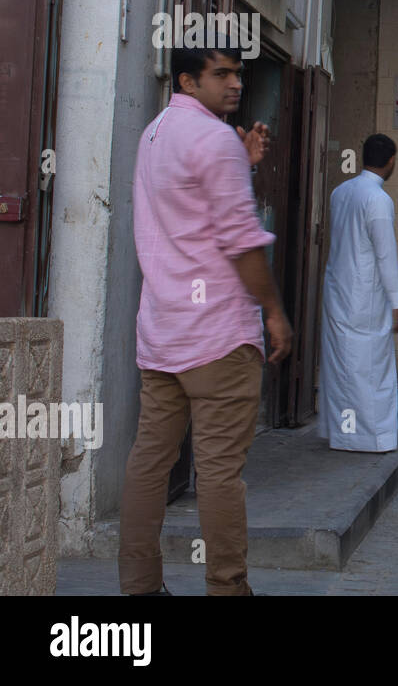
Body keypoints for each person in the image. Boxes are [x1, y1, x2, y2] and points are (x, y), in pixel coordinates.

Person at [120, 42, 293, 597]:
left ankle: (140, 587)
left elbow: (185, 209)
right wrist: (273, 311)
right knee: (219, 472)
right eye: (221, 74)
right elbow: (242, 245)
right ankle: (227, 587)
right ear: (188, 82)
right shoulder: (215, 140)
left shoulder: (153, 135)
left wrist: (237, 163)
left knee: (150, 464)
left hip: (163, 331)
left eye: (238, 74)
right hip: (218, 334)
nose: (236, 83)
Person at [318, 134, 398, 453]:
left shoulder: (340, 192)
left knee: (342, 366)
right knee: (368, 371)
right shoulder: (378, 200)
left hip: (337, 291)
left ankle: (343, 431)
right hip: (364, 298)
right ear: (391, 161)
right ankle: (369, 438)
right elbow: (385, 254)